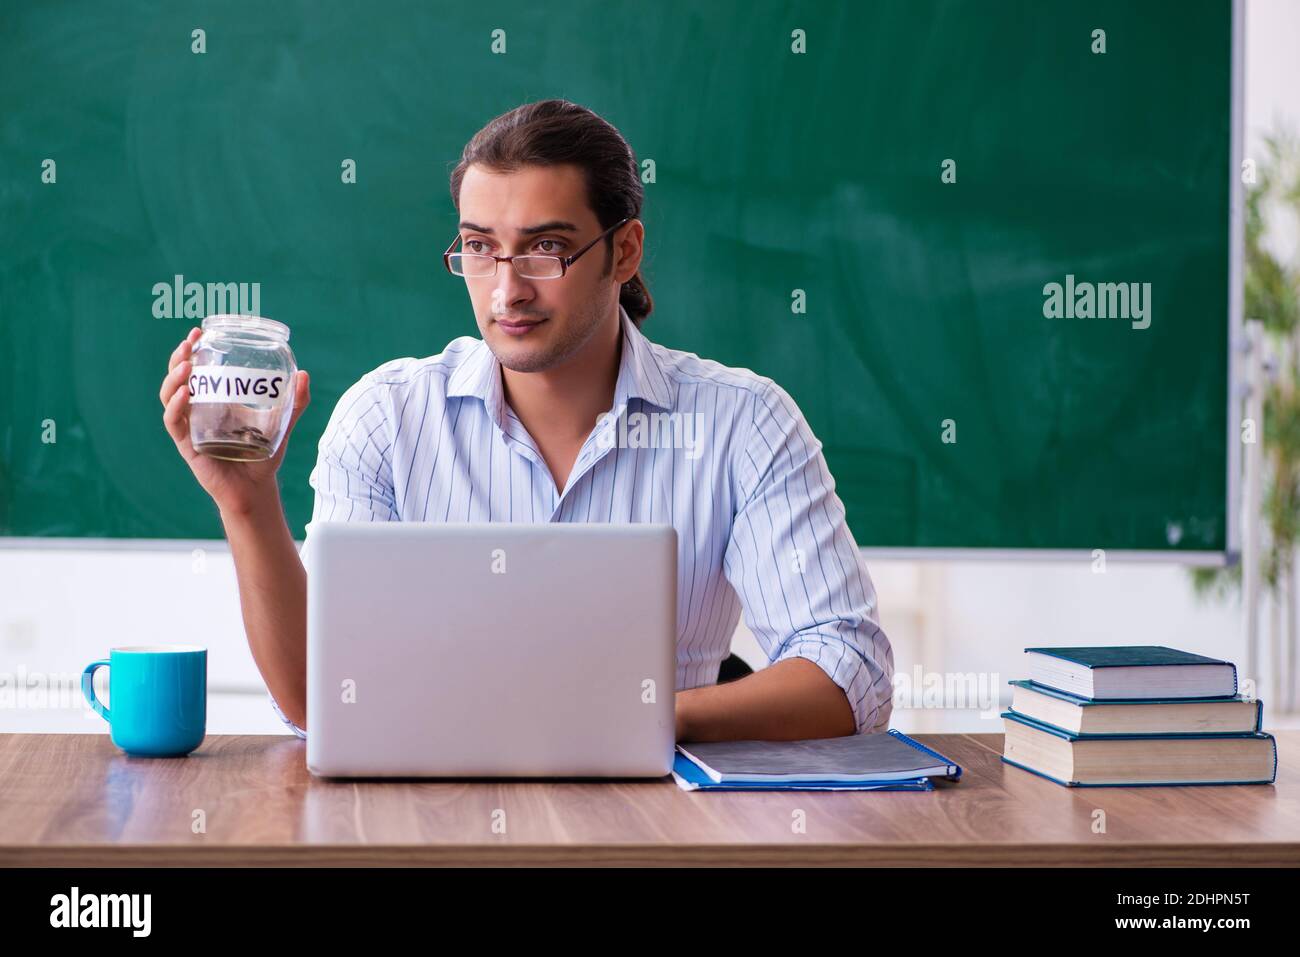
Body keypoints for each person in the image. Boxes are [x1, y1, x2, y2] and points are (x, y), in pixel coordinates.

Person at [159, 98, 893, 744]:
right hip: (429, 826)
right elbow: (322, 697)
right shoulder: (387, 418)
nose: (507, 290)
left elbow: (851, 672)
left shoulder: (744, 422)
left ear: (624, 252)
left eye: (546, 248)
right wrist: (248, 504)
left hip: (666, 824)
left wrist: (654, 716)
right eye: (480, 247)